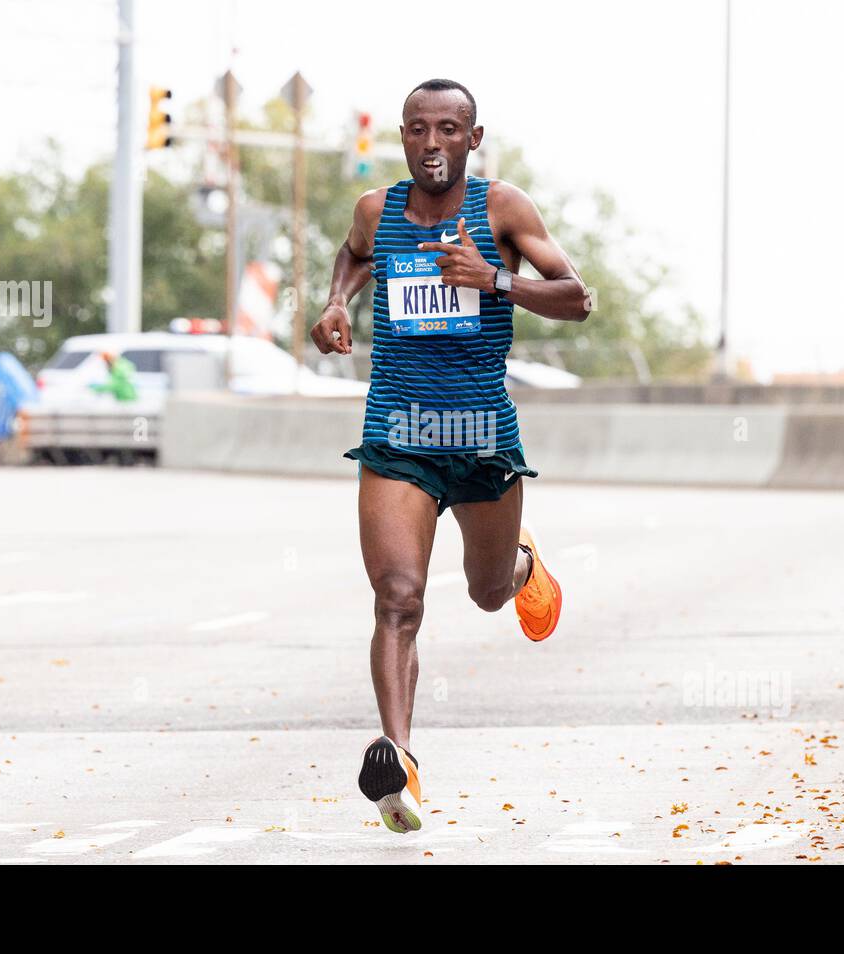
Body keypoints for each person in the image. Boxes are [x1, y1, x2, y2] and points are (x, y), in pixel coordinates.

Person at [310, 78, 592, 833]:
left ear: (473, 138)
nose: (431, 144)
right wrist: (337, 301)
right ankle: (398, 760)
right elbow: (353, 252)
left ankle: (522, 567)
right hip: (397, 437)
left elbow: (577, 296)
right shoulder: (379, 211)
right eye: (417, 130)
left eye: (448, 130)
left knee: (487, 593)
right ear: (401, 137)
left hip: (481, 440)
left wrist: (494, 278)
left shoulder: (502, 209)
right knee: (398, 599)